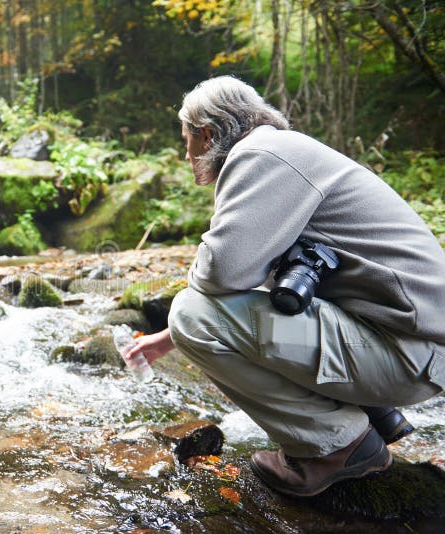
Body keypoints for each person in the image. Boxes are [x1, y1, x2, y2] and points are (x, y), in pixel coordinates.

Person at [125, 76, 445, 497]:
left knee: (190, 312)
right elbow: (257, 286)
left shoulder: (261, 154)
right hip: (413, 347)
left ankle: (338, 445)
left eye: (186, 140)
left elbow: (222, 273)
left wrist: (181, 325)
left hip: (407, 352)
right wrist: (168, 339)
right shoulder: (284, 151)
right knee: (193, 318)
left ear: (206, 133)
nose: (186, 154)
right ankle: (356, 423)